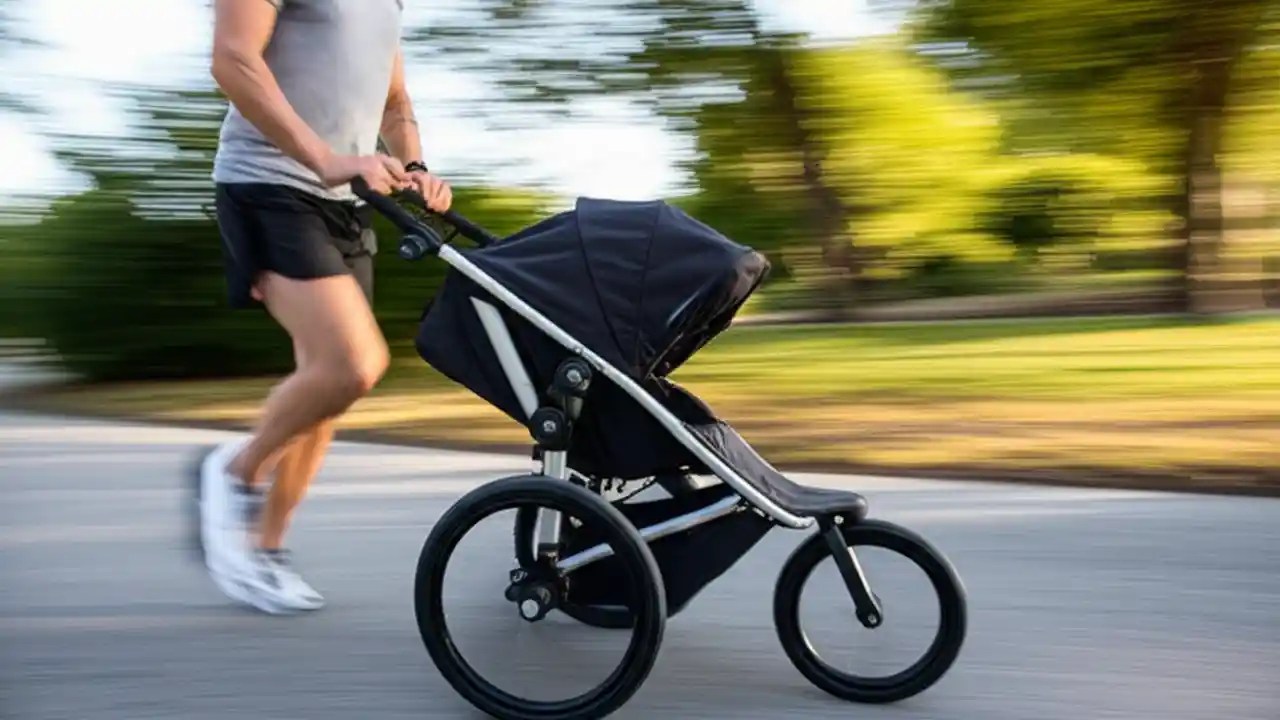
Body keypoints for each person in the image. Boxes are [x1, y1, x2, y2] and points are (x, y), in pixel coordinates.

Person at [196, 0, 452, 615]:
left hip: (345, 202)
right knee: (351, 364)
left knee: (329, 385)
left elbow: (394, 102)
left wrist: (415, 166)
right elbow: (232, 58)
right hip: (268, 185)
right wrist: (327, 159)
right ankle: (234, 473)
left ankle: (264, 550)